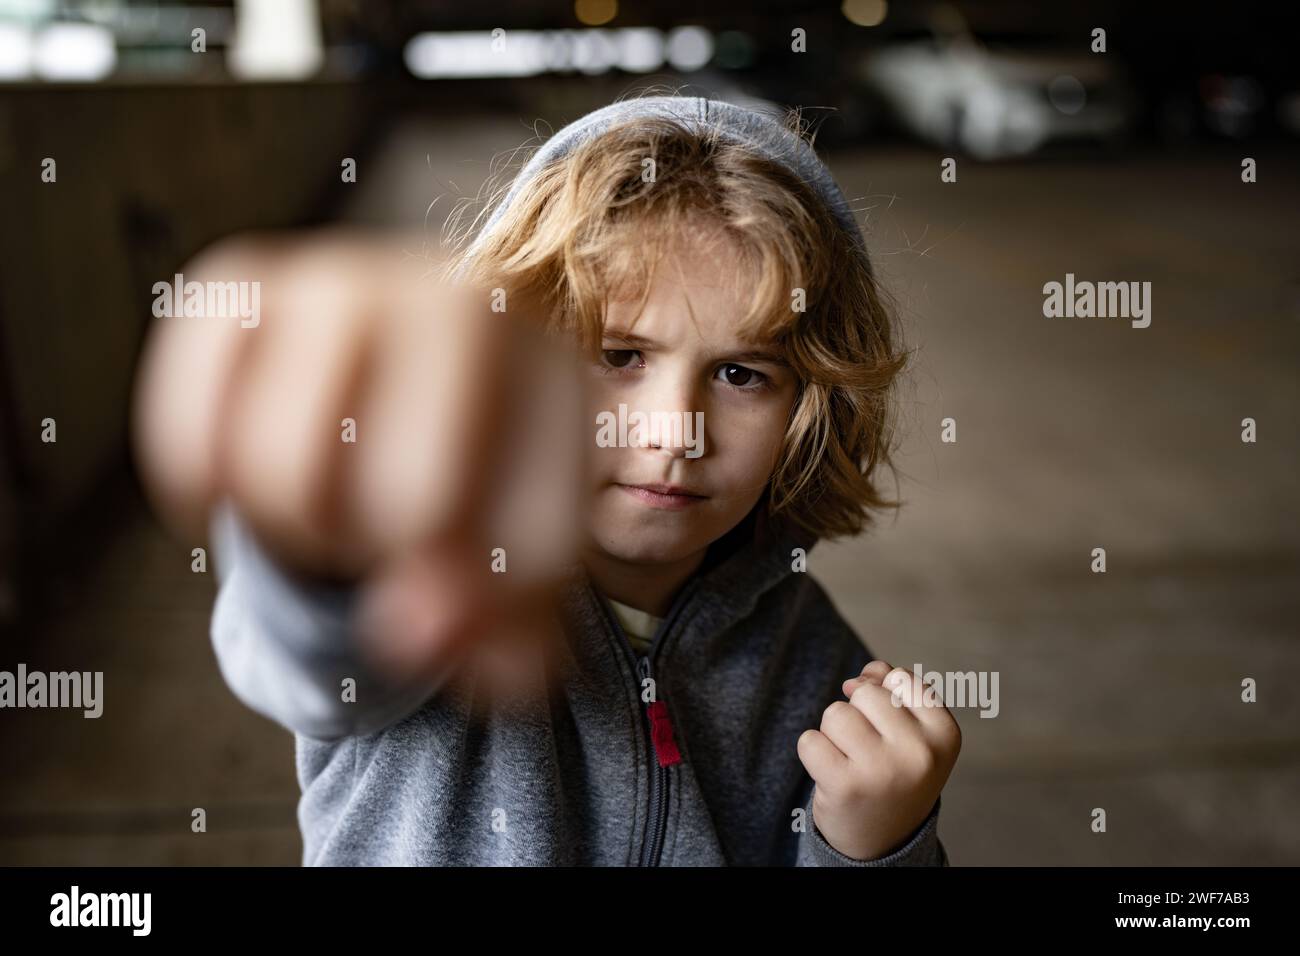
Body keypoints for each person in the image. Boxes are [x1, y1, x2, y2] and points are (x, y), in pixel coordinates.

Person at [133, 93, 960, 865]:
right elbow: (314, 651)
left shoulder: (811, 653)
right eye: (619, 355)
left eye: (743, 373)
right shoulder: (447, 577)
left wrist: (870, 849)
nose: (674, 430)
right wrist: (340, 498)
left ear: (811, 406)